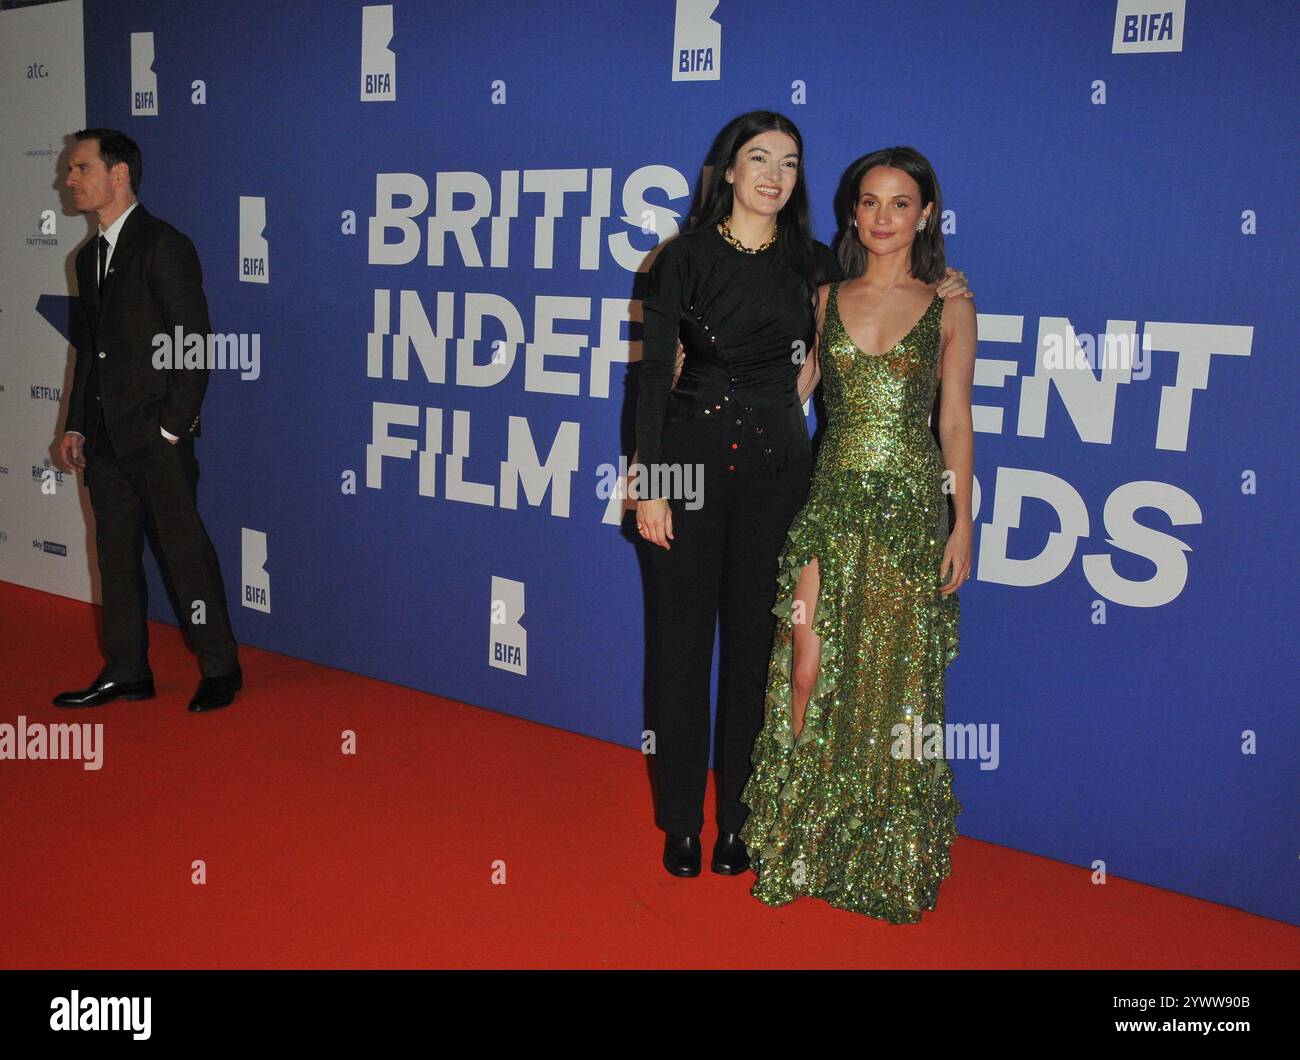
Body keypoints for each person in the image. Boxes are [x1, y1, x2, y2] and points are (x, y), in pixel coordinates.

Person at [636, 115, 968, 878]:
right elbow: (653, 377)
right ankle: (682, 822)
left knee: (759, 656)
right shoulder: (680, 258)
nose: (774, 175)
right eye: (759, 158)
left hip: (778, 477)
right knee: (681, 651)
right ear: (727, 170)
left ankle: (739, 823)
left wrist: (951, 284)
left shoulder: (812, 263)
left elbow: (887, 287)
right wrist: (649, 483)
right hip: (685, 470)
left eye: (789, 162)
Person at [739, 146, 977, 922]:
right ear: (852, 212)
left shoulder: (950, 305)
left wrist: (962, 521)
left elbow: (954, 419)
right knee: (805, 664)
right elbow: (795, 392)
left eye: (900, 203)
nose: (882, 217)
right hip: (832, 500)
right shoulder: (822, 298)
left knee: (893, 685)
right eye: (869, 202)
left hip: (909, 509)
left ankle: (878, 852)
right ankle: (796, 835)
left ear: (926, 214)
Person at [54, 129, 243, 713]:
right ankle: (128, 671)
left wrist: (171, 429)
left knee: (185, 557)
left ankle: (220, 666)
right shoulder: (87, 257)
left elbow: (194, 343)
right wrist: (77, 424)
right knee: (114, 560)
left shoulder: (164, 245)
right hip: (105, 441)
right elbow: (91, 351)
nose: (69, 179)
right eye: (70, 169)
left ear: (119, 175)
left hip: (157, 439)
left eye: (81, 168)